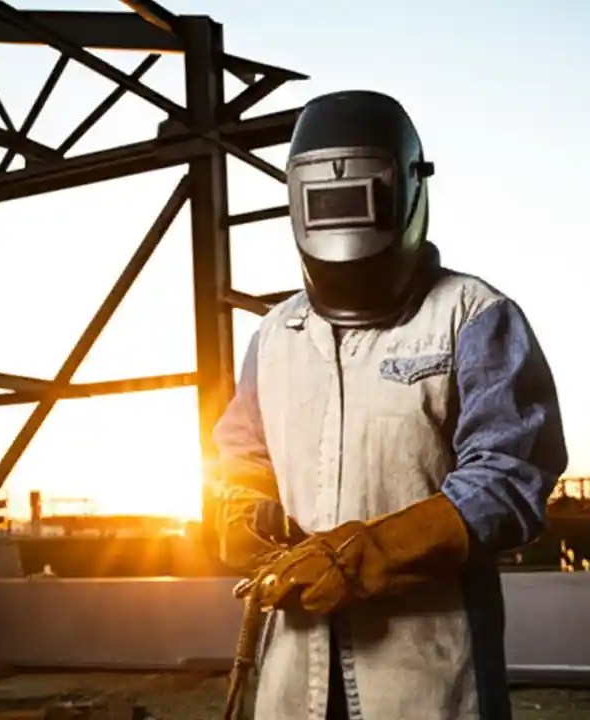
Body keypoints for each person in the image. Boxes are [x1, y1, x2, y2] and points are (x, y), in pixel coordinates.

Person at [212, 90, 568, 720]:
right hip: (293, 675)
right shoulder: (273, 336)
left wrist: (364, 556)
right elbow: (240, 457)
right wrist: (241, 509)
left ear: (407, 192)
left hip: (425, 673)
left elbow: (507, 481)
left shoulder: (474, 317)